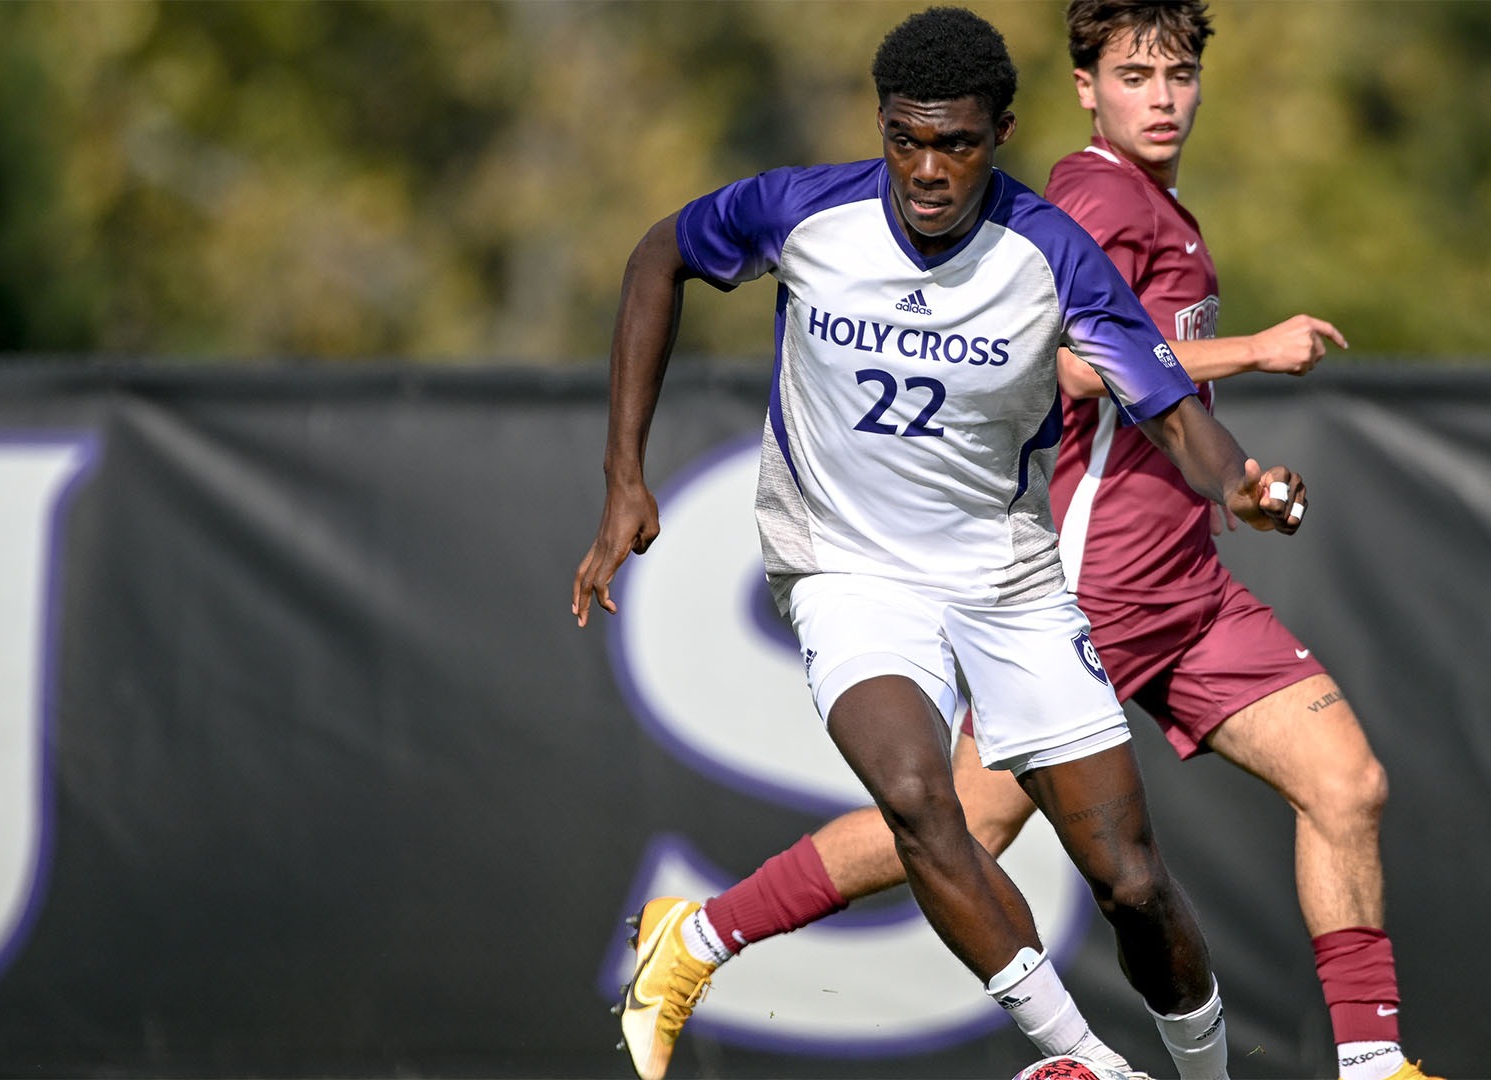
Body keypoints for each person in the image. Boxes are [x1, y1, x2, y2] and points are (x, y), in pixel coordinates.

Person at [616, 4, 1442, 1080]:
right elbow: (1085, 368)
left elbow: (1145, 381)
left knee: (1340, 786)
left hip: (1184, 580)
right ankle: (707, 937)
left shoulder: (1154, 210)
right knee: (949, 820)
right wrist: (1254, 350)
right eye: (1134, 75)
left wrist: (1236, 484)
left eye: (1179, 73)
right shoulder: (1090, 200)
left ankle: (1373, 1065)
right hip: (1097, 574)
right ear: (1084, 89)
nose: (1162, 96)